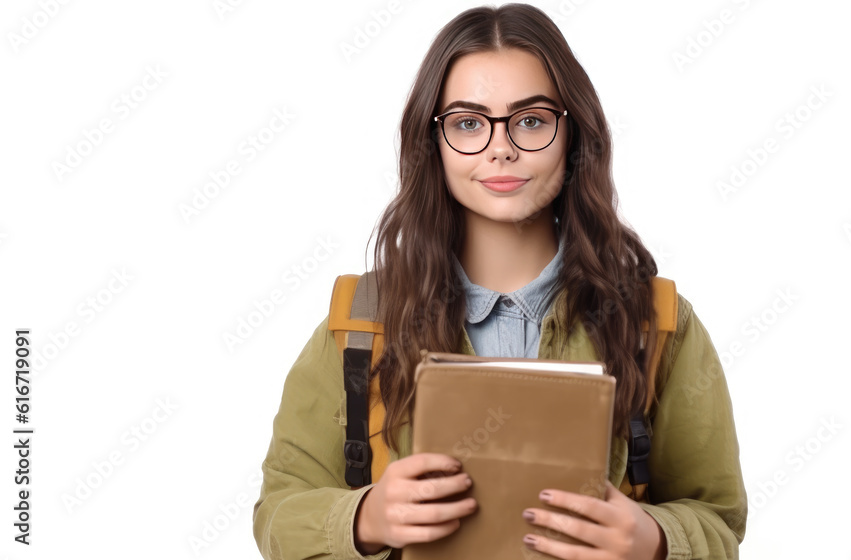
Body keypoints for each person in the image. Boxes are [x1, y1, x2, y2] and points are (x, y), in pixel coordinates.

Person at [252, 4, 747, 559]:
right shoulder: (360, 323)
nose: (500, 146)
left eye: (531, 119)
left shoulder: (657, 324)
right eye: (468, 122)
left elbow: (718, 522)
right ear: (432, 142)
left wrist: (651, 540)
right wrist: (363, 517)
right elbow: (278, 514)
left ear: (573, 133)